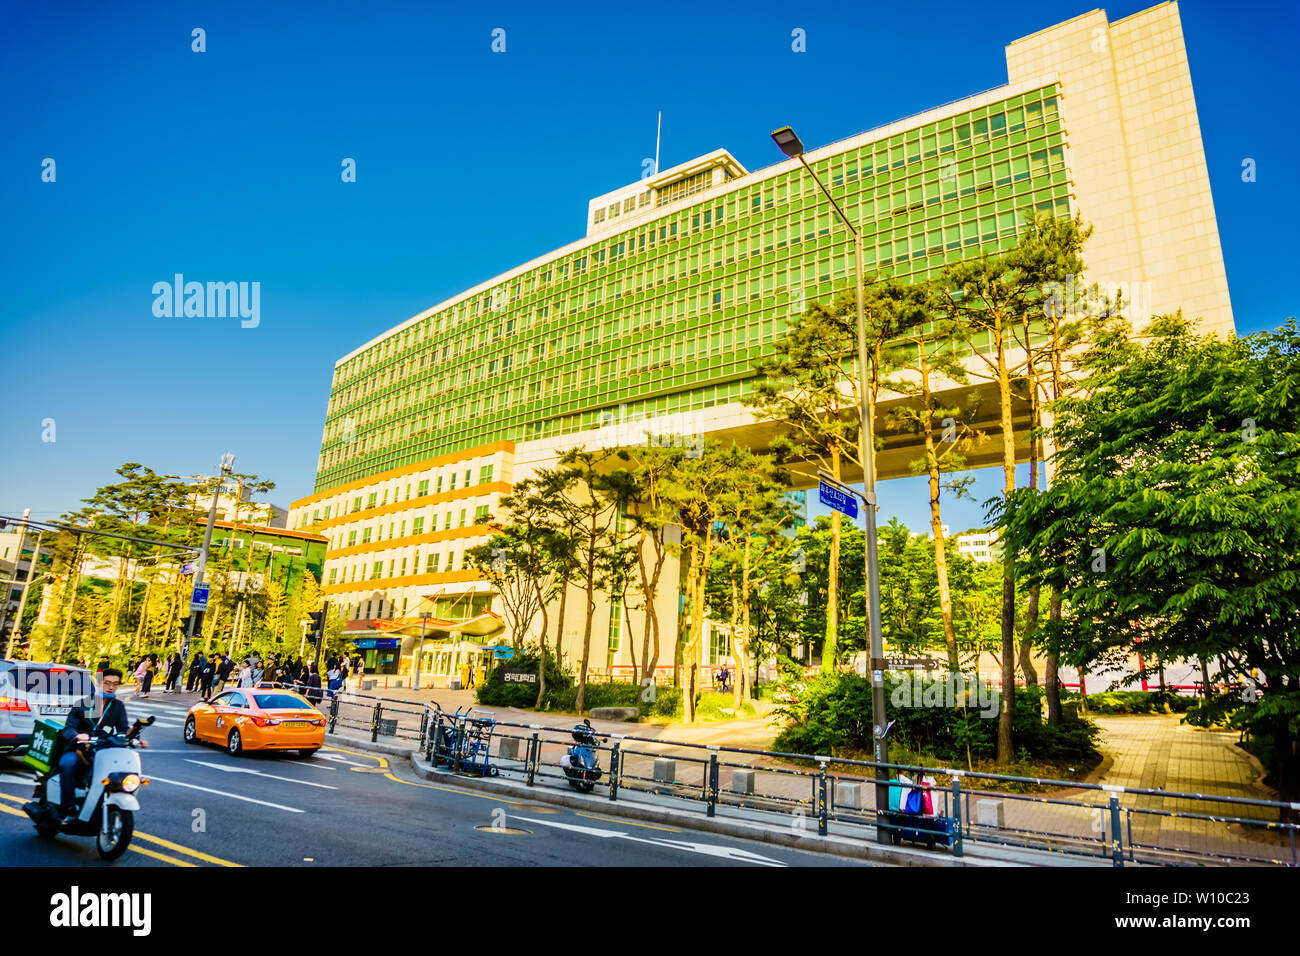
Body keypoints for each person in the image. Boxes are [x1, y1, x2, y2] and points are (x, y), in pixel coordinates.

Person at [54, 668, 148, 825]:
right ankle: (67, 810)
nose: (111, 687)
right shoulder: (83, 704)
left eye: (115, 684)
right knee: (67, 765)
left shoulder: (118, 706)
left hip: (103, 750)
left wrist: (136, 738)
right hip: (79, 749)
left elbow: (124, 729)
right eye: (107, 683)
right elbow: (69, 727)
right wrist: (77, 735)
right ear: (99, 684)